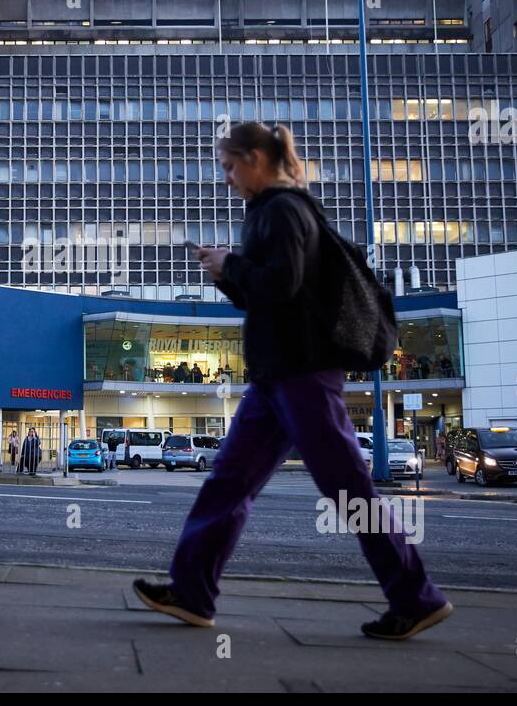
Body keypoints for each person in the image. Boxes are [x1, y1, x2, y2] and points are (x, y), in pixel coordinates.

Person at [133, 121, 452, 641]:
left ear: (257, 157)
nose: (228, 178)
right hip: (276, 375)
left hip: (301, 373)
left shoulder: (282, 210)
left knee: (348, 488)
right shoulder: (276, 210)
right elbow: (273, 295)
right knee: (228, 483)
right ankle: (191, 591)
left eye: (231, 166)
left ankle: (416, 597)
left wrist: (231, 264)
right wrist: (228, 273)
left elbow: (280, 288)